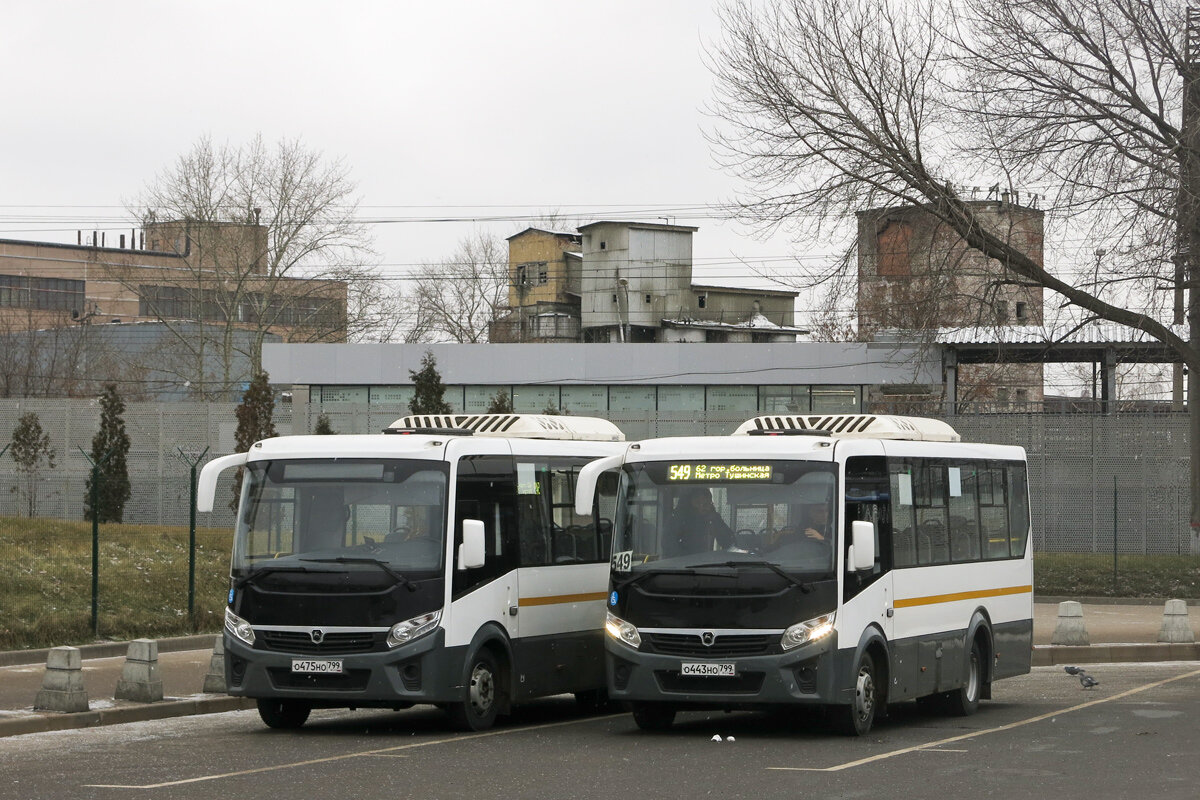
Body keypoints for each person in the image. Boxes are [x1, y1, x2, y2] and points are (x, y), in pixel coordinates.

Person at [664, 487, 734, 557]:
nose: (701, 506)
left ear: (711, 504)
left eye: (705, 503)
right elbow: (669, 547)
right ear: (690, 503)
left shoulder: (713, 519)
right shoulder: (679, 521)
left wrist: (715, 519)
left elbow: (729, 543)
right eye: (697, 502)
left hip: (708, 564)